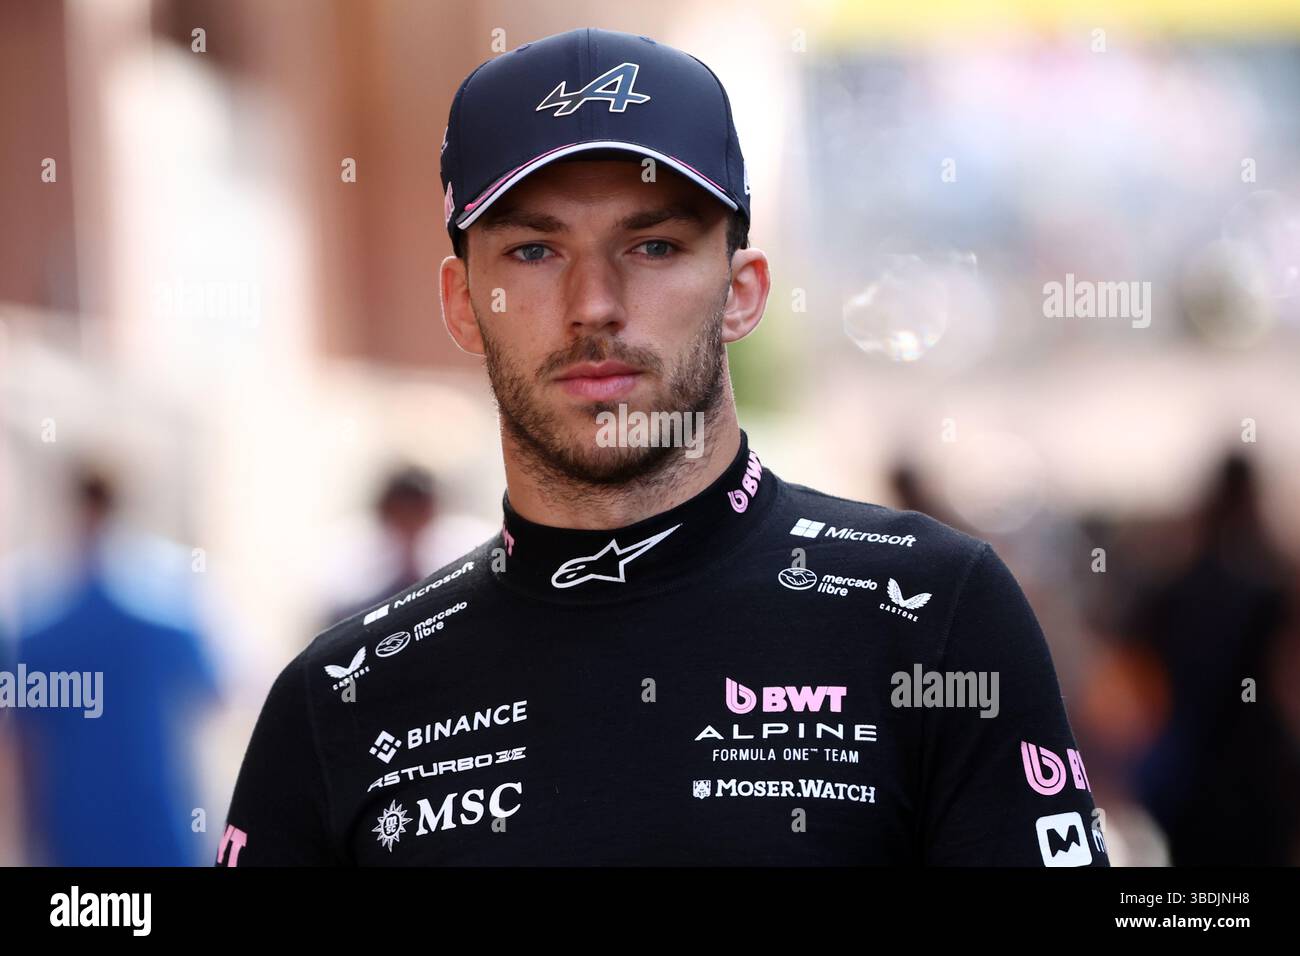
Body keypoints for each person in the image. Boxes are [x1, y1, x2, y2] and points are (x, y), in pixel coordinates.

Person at [218, 27, 1107, 866]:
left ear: (742, 290)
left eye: (652, 244)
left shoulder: (930, 615)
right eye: (533, 250)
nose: (594, 302)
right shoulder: (339, 698)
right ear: (460, 302)